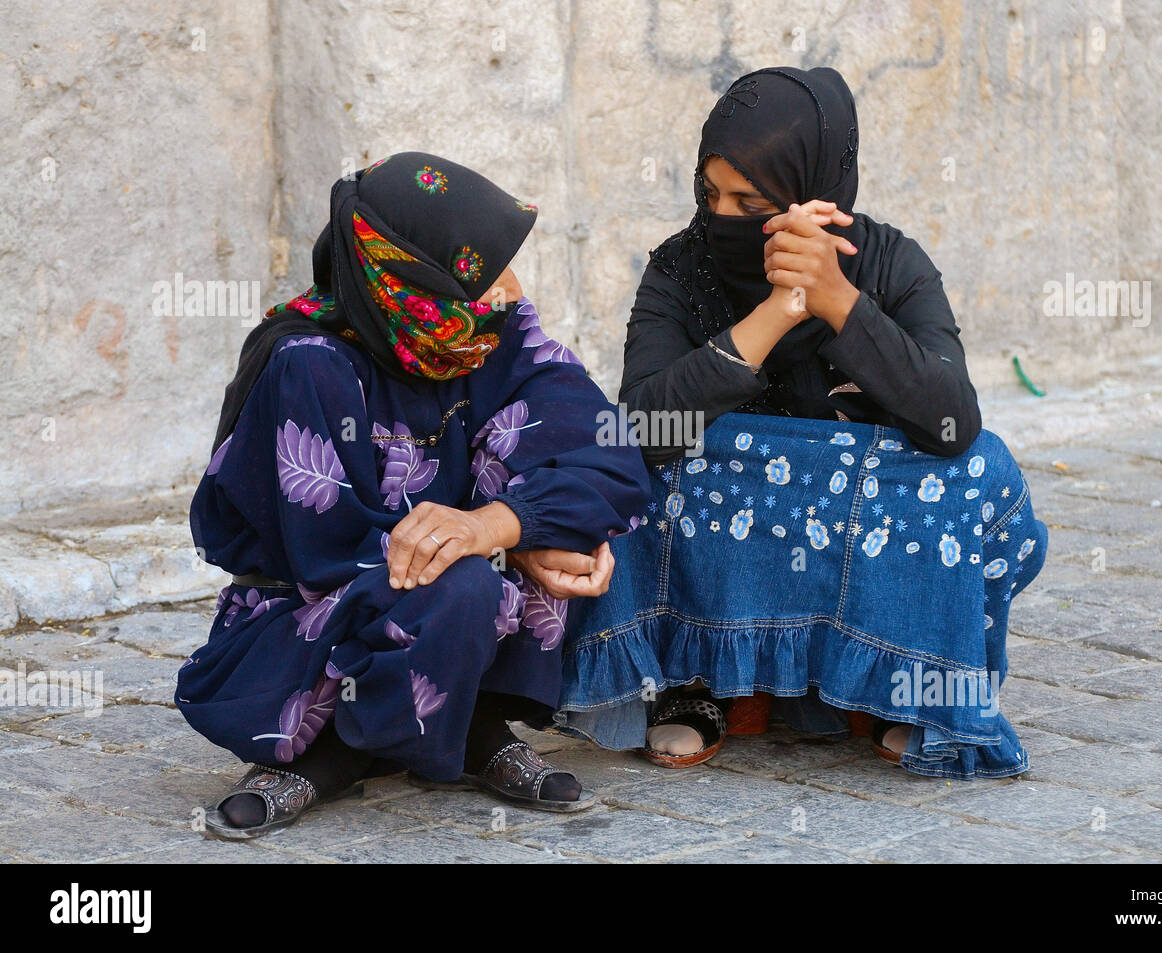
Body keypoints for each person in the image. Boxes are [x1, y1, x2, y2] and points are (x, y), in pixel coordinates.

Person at [553, 67, 1048, 779]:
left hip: (852, 532)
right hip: (728, 528)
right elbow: (643, 430)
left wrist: (837, 300)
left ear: (812, 194)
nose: (721, 215)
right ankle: (697, 678)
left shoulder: (887, 264)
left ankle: (891, 682)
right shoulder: (680, 268)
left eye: (748, 201)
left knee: (979, 471)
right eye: (709, 192)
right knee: (623, 456)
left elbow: (951, 421)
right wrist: (775, 312)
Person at [178, 151, 649, 838]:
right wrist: (497, 550)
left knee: (579, 523)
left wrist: (507, 527)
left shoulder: (489, 337)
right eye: (487, 272)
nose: (512, 290)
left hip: (462, 582)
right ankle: (336, 749)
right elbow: (342, 557)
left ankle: (468, 720)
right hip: (317, 619)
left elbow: (610, 451)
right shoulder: (306, 365)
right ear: (413, 286)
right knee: (465, 587)